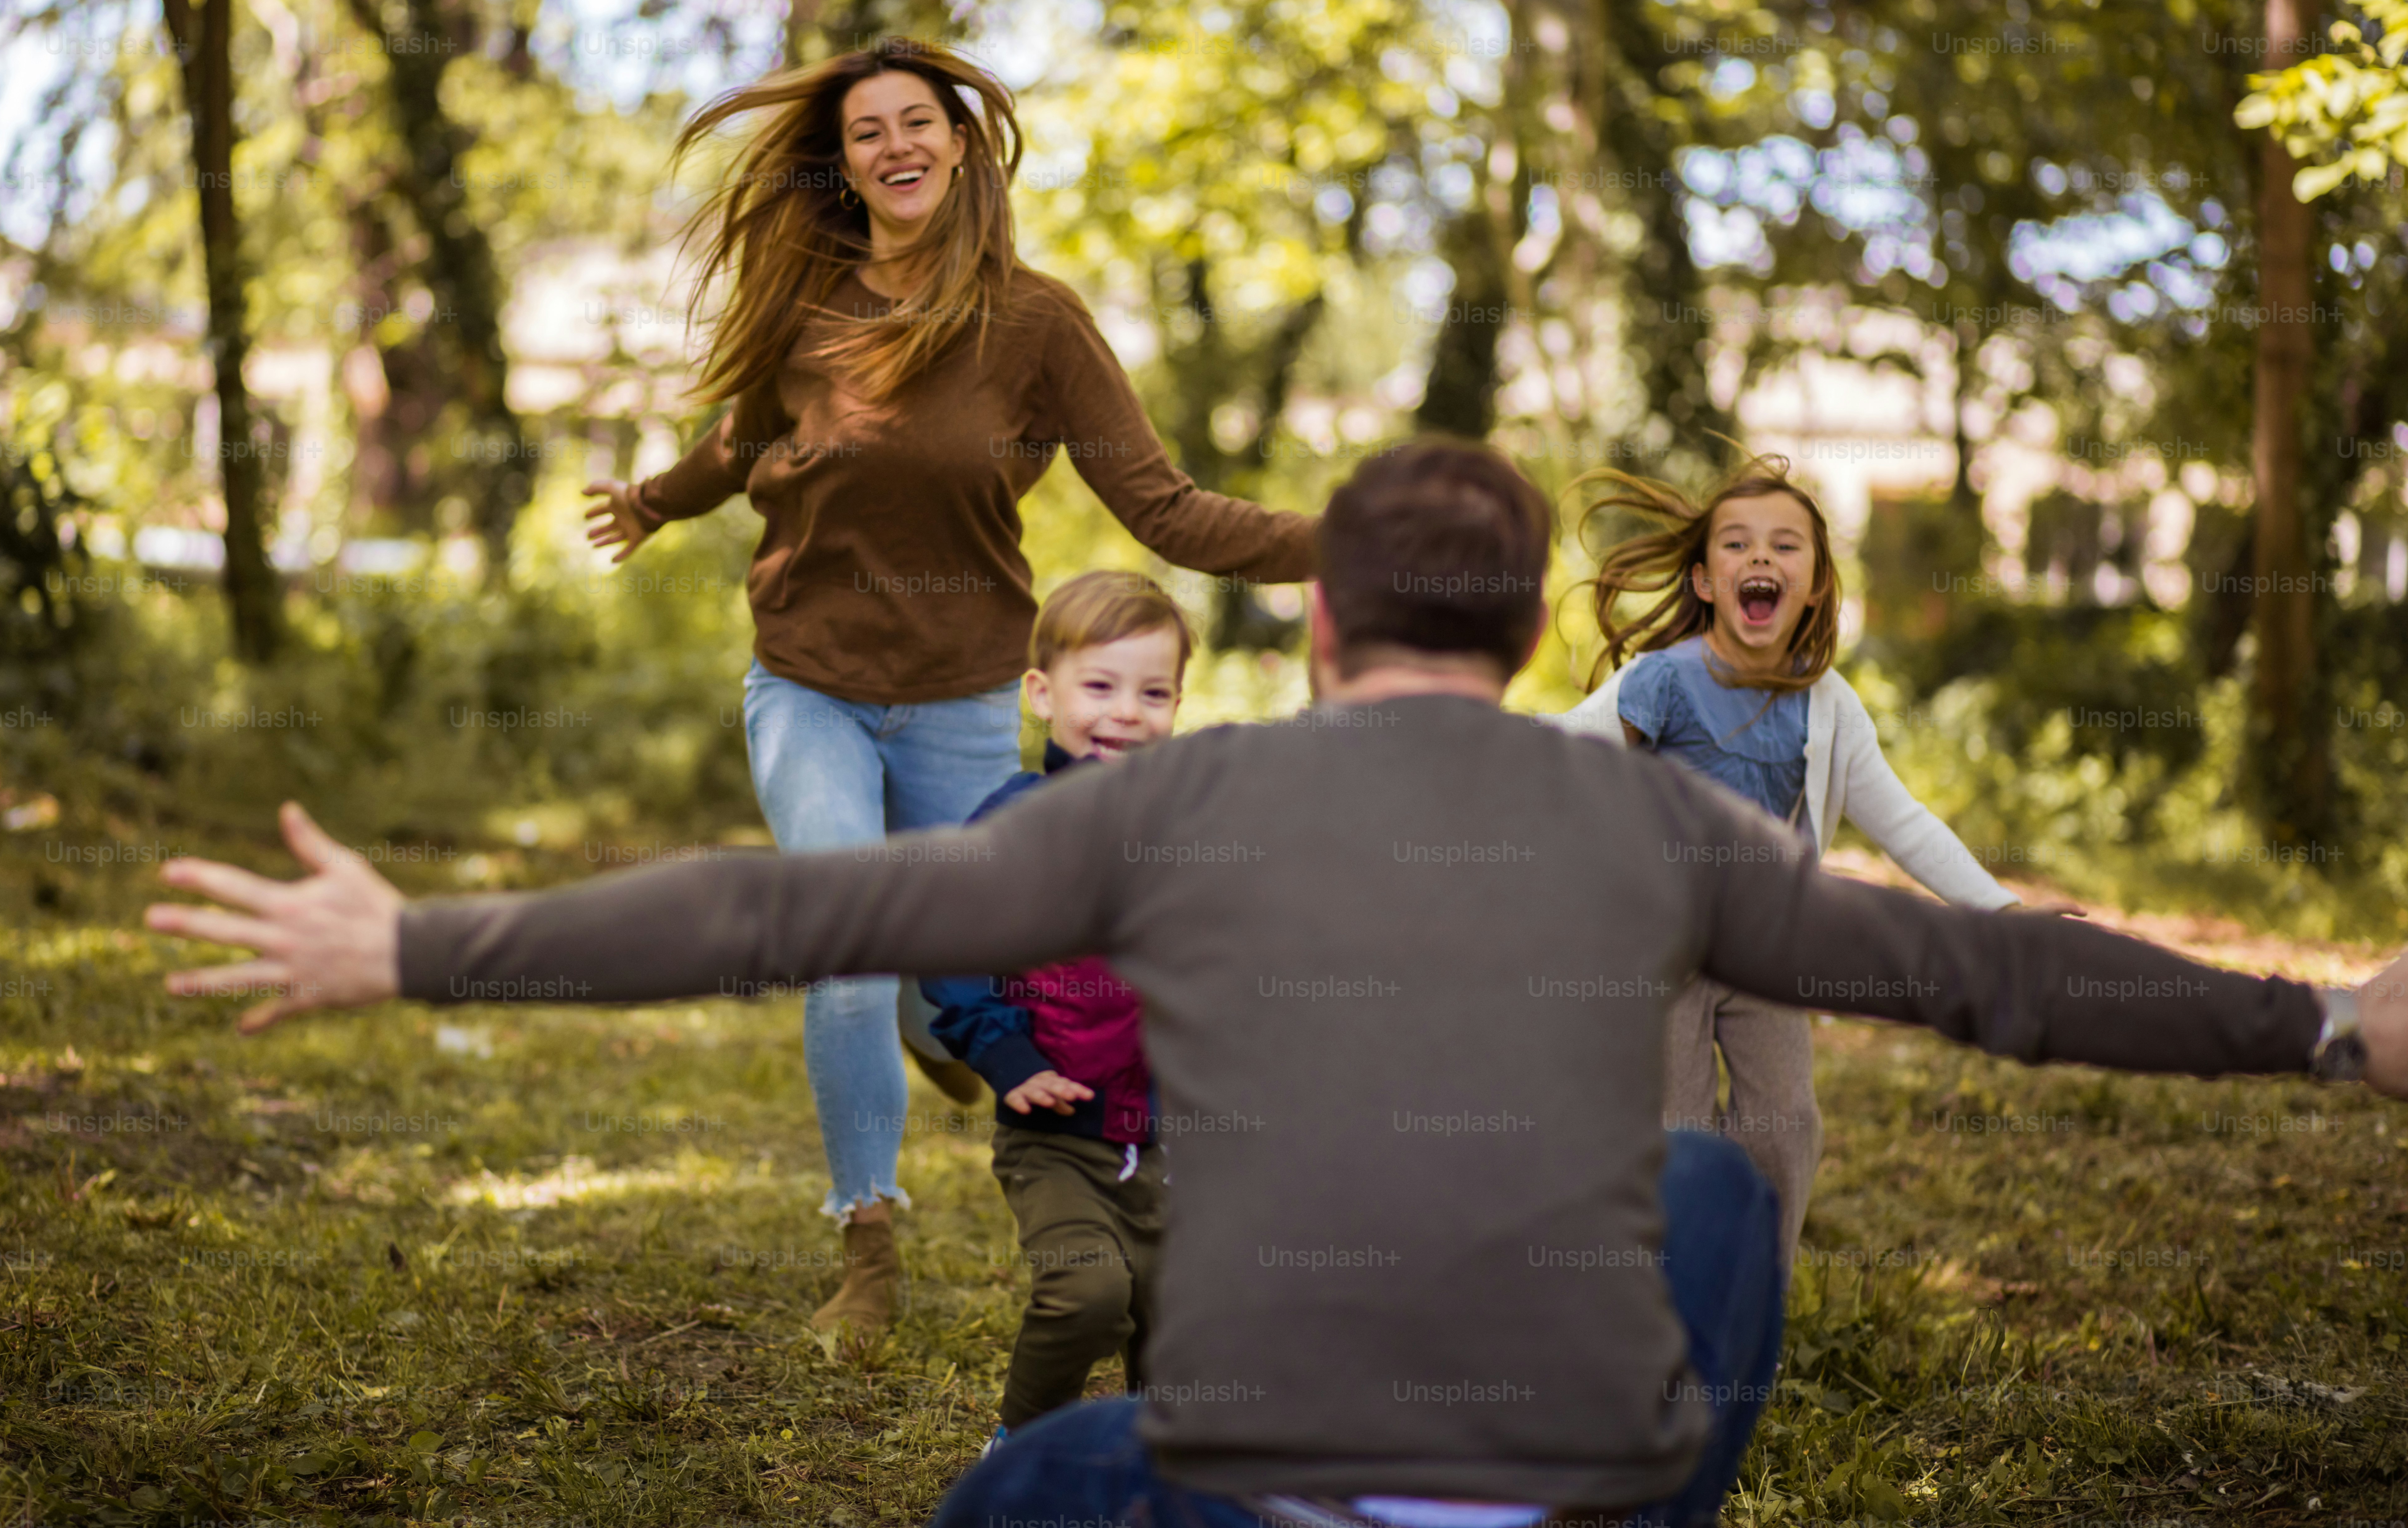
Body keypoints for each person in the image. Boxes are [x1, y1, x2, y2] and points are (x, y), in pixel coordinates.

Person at [148, 440, 2386, 1528]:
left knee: (1008, 1498)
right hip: (1577, 1475)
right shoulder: (1662, 821)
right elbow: (1994, 972)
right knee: (1715, 1205)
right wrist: (2321, 1020)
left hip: (1254, 1493)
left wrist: (415, 942)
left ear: (1312, 632)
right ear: (1532, 644)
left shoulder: (1169, 810)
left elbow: (780, 911)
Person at [575, 39, 1313, 1337]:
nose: (895, 146)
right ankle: (867, 1245)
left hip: (969, 692)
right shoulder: (802, 305)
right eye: (868, 132)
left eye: (918, 122)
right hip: (807, 681)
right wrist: (648, 502)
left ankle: (939, 1008)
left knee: (980, 965)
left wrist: (1339, 545)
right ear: (845, 164)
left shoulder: (1036, 323)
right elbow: (740, 443)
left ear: (961, 144)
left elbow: (1166, 509)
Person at [1551, 453, 2042, 1270]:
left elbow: (1904, 823)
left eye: (1785, 547)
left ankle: (1750, 1305)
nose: (1760, 560)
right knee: (1672, 1139)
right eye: (1737, 544)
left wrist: (2000, 912)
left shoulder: (1826, 704)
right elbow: (1566, 750)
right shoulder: (1661, 683)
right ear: (1705, 580)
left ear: (1813, 585)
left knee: (1786, 1129)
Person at [921, 571, 1187, 1447]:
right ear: (1043, 694)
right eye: (1100, 687)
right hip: (1059, 1130)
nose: (1126, 712)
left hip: (1172, 1136)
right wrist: (1009, 1062)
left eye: (1153, 692)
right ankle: (1021, 1449)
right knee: (1089, 1293)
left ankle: (1175, 1466)